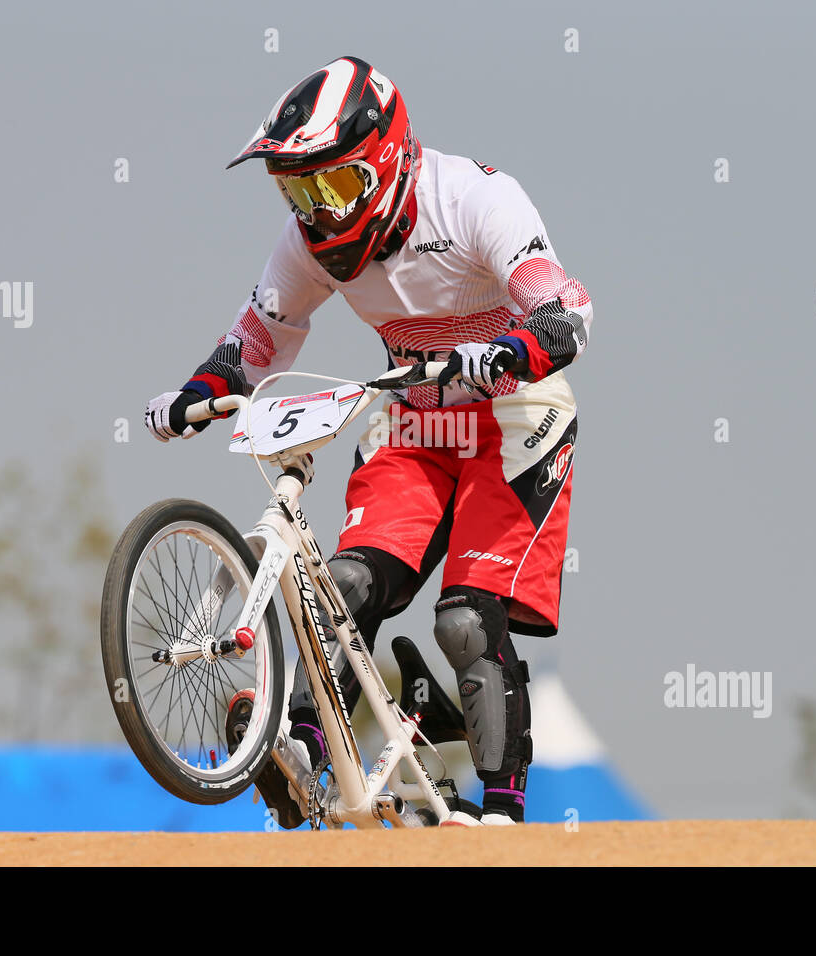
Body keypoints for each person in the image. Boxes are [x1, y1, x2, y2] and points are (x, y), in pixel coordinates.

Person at [144, 56, 591, 827]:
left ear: (387, 166)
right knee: (344, 586)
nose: (318, 215)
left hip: (515, 416)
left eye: (335, 188)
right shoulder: (309, 241)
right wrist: (197, 394)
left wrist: (510, 349)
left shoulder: (475, 198)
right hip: (414, 415)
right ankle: (309, 749)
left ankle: (503, 818)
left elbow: (567, 311)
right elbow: (258, 339)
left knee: (463, 622)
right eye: (299, 193)